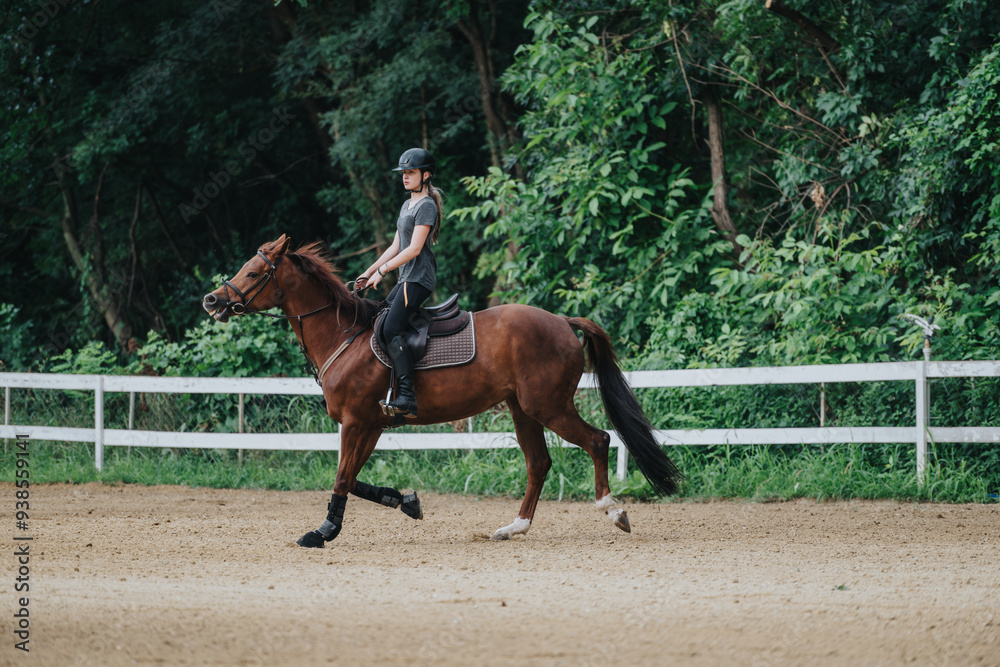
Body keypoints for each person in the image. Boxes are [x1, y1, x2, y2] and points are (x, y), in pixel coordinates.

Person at [356, 148, 443, 418]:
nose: (405, 177)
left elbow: (414, 249)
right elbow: (396, 245)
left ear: (426, 175)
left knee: (391, 329)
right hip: (406, 277)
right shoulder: (407, 205)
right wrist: (367, 272)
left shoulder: (427, 205)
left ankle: (407, 397)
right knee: (380, 323)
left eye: (411, 172)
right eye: (403, 173)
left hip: (419, 279)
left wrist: (382, 271)